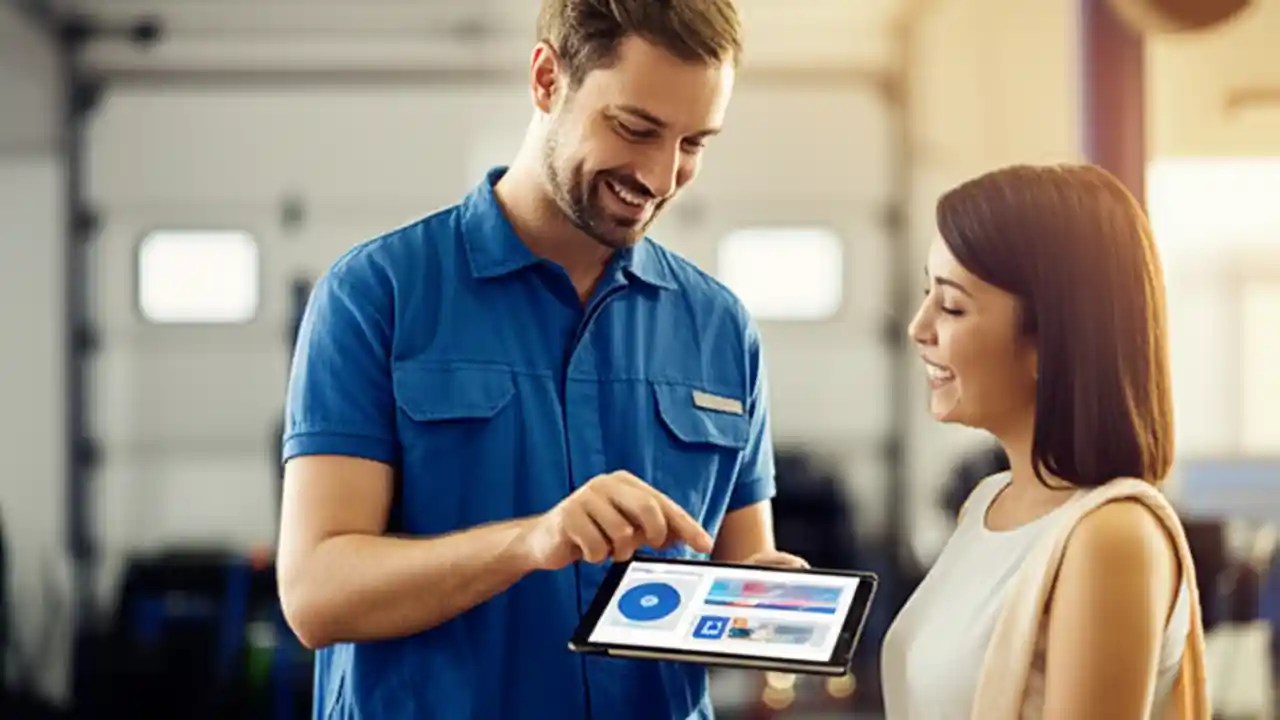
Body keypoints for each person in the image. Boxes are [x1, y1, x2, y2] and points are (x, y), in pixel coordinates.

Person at [275, 1, 805, 719]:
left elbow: (738, 585)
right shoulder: (379, 295)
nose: (659, 174)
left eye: (693, 143)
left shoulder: (718, 327)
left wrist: (776, 610)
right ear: (548, 79)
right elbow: (316, 594)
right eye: (635, 128)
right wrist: (533, 541)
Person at [880, 164, 1205, 719]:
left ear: (1051, 338)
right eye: (926, 293)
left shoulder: (1112, 535)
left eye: (953, 306)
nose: (919, 326)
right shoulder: (987, 504)